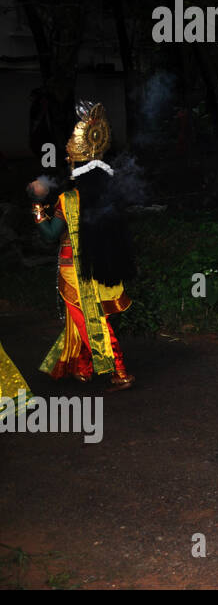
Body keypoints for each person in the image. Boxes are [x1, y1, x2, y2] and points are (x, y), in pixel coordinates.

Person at [26, 101, 136, 390]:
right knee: (88, 317)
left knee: (91, 322)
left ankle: (119, 372)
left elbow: (50, 235)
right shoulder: (110, 194)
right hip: (102, 268)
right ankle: (84, 368)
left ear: (77, 165)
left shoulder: (69, 199)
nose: (67, 163)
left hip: (75, 272)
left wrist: (38, 207)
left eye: (70, 160)